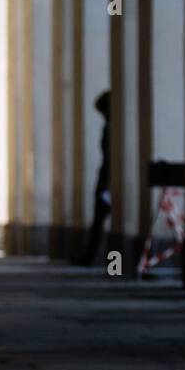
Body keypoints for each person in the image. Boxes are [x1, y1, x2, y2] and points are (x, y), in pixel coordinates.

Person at [74, 90, 112, 266]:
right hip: (107, 179)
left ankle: (91, 257)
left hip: (107, 180)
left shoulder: (111, 128)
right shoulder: (111, 127)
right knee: (99, 220)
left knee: (99, 220)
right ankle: (93, 257)